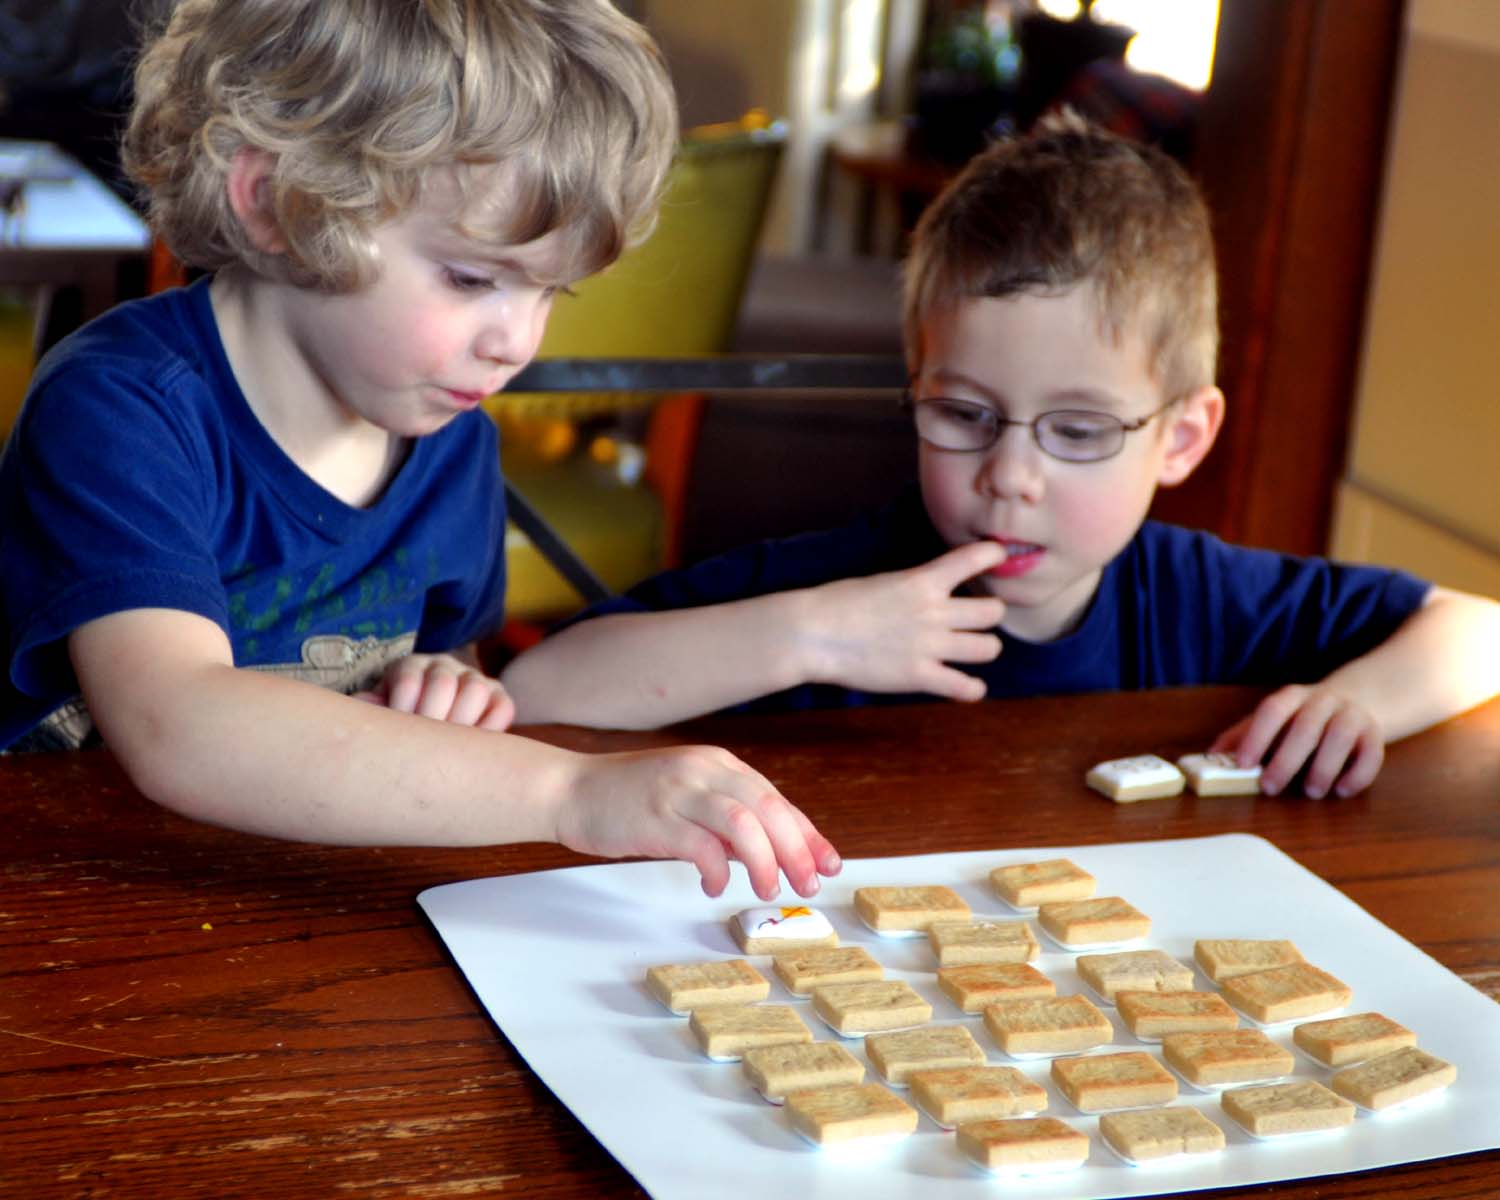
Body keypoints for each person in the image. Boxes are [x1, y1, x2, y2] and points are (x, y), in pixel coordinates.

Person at [0, 0, 840, 902]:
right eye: (472, 279)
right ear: (277, 201)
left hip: (293, 897)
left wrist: (444, 686)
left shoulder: (446, 435)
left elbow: (446, 657)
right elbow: (179, 724)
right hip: (77, 904)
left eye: (551, 291)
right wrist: (569, 788)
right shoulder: (124, 409)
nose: (516, 341)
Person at [502, 112, 1500, 801]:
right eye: (967, 415)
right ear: (917, 387)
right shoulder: (844, 585)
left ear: (1182, 436)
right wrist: (809, 638)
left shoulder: (1200, 597)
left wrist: (1354, 704)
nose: (1010, 476)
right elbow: (541, 694)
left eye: (1077, 431)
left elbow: (1478, 630)